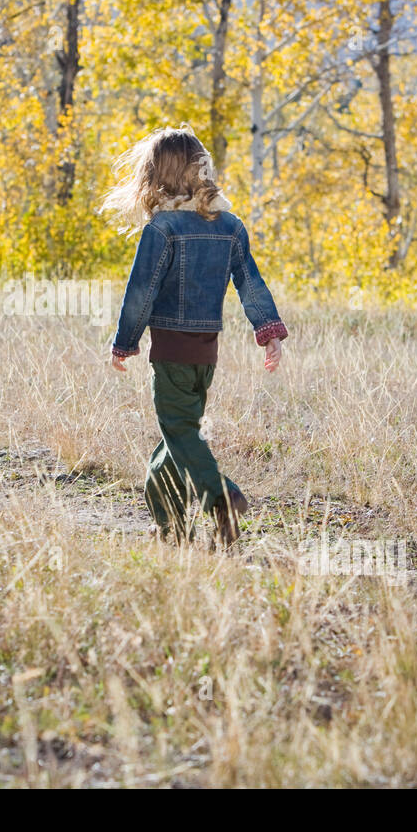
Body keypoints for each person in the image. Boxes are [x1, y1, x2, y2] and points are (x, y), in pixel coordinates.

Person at [102, 126, 287, 547]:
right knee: (174, 442)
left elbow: (141, 293)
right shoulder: (230, 226)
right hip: (207, 358)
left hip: (171, 353)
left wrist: (124, 342)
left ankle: (221, 496)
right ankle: (172, 531)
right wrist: (269, 331)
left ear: (156, 177)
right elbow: (251, 284)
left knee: (181, 434)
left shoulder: (162, 230)